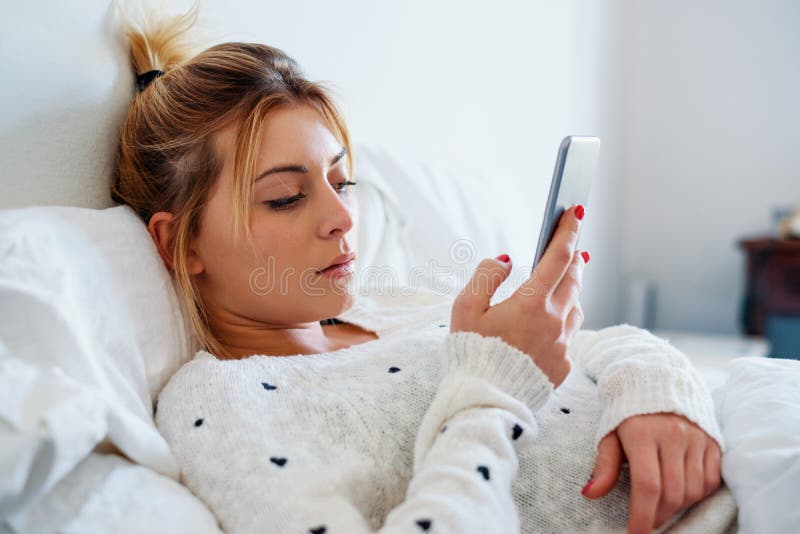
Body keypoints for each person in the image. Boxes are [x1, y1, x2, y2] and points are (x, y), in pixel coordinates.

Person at [111, 3, 733, 533]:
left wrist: (657, 395)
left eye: (341, 180)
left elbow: (606, 345)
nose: (343, 219)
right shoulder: (223, 405)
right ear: (181, 243)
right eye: (286, 197)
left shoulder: (393, 306)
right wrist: (496, 385)